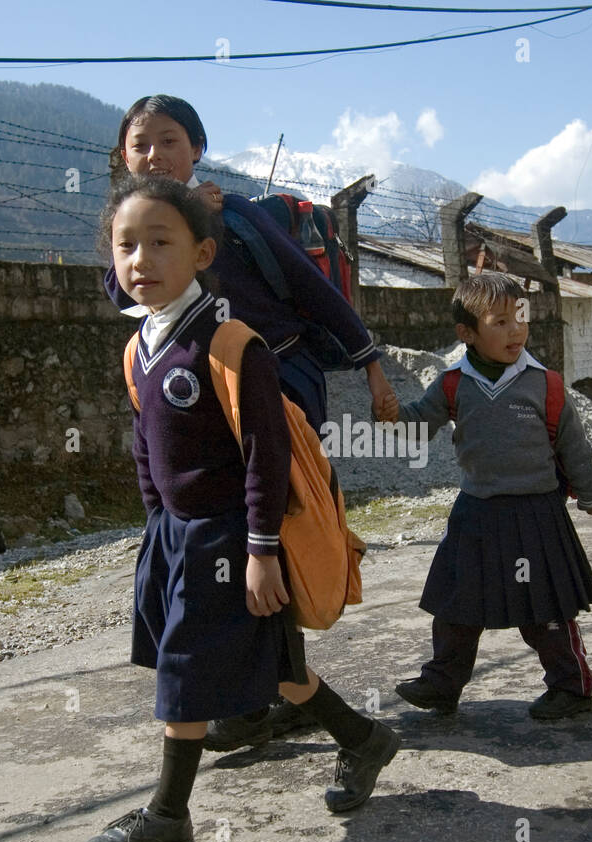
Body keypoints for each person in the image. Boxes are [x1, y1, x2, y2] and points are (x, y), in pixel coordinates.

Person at [82, 175, 399, 842]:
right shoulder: (141, 349)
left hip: (231, 539)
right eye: (125, 246)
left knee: (186, 671)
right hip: (177, 539)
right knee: (277, 666)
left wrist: (260, 551)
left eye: (159, 242)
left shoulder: (230, 346)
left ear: (202, 254)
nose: (140, 260)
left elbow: (267, 453)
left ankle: (168, 817)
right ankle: (364, 739)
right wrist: (155, 525)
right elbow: (146, 445)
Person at [104, 94, 393, 749]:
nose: (155, 155)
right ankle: (275, 692)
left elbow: (312, 289)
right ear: (123, 159)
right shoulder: (138, 230)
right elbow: (119, 292)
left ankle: (264, 693)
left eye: (170, 141)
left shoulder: (234, 217)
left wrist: (370, 363)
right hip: (203, 396)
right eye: (140, 145)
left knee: (269, 522)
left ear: (198, 149)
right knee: (240, 534)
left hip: (273, 382)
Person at [377, 272, 592, 720]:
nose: (516, 331)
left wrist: (591, 493)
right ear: (466, 333)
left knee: (544, 607)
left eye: (520, 319)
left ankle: (572, 686)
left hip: (536, 512)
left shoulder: (546, 384)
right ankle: (442, 683)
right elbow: (418, 426)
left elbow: (572, 446)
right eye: (500, 322)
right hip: (476, 511)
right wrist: (391, 415)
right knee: (455, 601)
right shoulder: (452, 384)